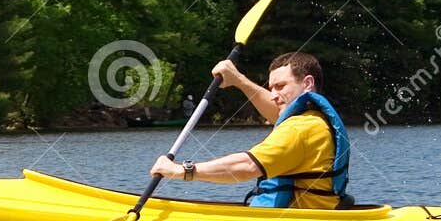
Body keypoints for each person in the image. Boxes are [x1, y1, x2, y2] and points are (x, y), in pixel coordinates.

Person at [148, 50, 351, 209]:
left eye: (280, 86)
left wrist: (181, 170)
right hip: (308, 219)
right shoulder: (314, 120)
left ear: (307, 83)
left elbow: (246, 166)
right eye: (271, 88)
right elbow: (277, 113)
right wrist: (237, 79)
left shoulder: (300, 129)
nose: (273, 95)